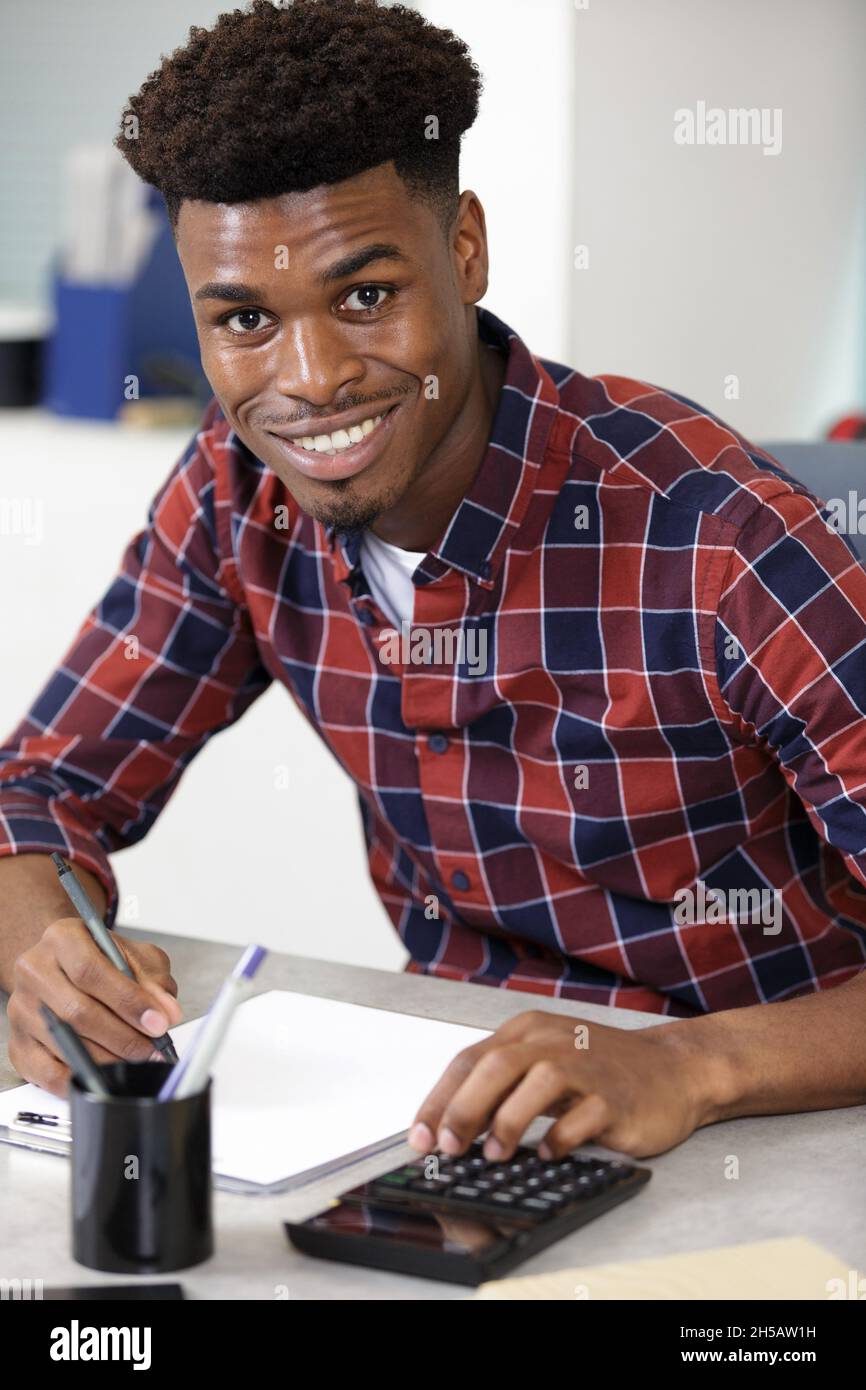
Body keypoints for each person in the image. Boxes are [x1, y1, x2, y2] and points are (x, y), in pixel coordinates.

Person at [2, 0, 865, 1162]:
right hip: (438, 1118)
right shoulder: (231, 487)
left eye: (365, 297)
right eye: (245, 319)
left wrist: (691, 1061)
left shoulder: (715, 534)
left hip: (769, 1123)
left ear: (463, 250)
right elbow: (41, 788)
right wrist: (47, 951)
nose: (308, 381)